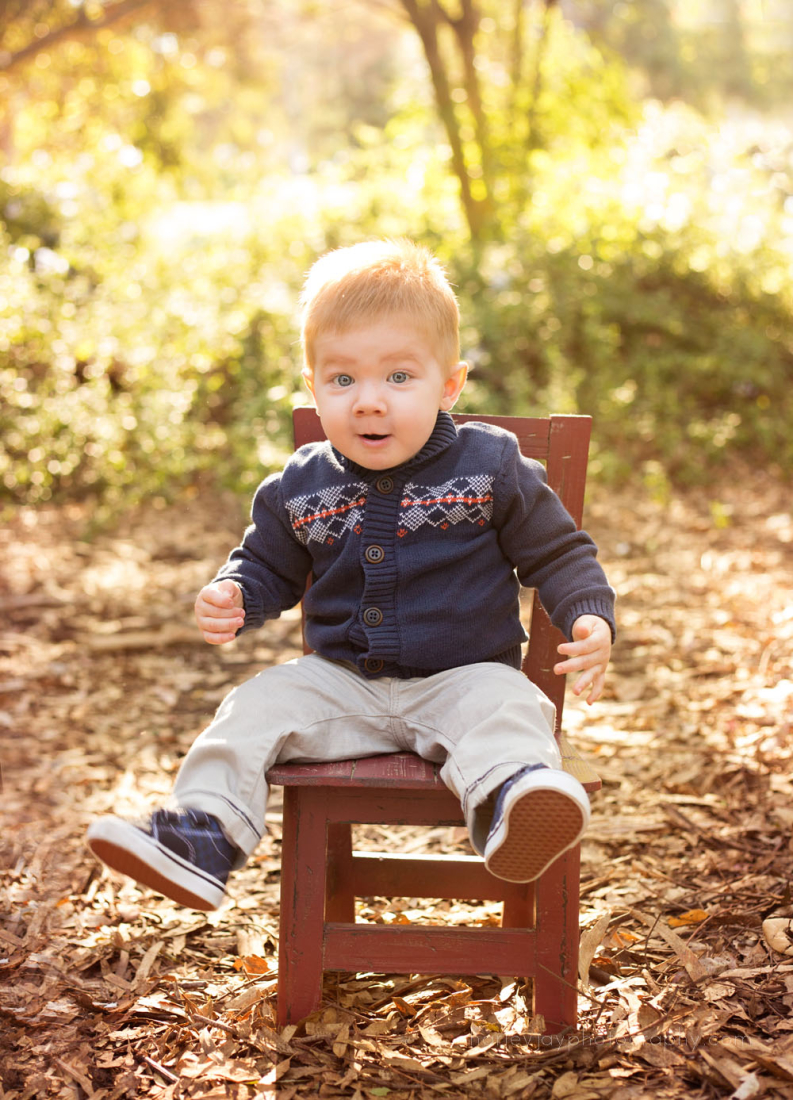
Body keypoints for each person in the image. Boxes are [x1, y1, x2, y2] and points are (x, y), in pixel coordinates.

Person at [87, 239, 615, 911]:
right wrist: (235, 594)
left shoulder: (490, 465)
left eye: (398, 378)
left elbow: (558, 553)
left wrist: (587, 614)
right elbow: (267, 567)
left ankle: (514, 803)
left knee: (508, 710)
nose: (368, 402)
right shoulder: (297, 486)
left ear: (448, 385)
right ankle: (202, 833)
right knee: (252, 707)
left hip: (465, 677)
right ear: (313, 388)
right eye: (342, 381)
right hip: (340, 686)